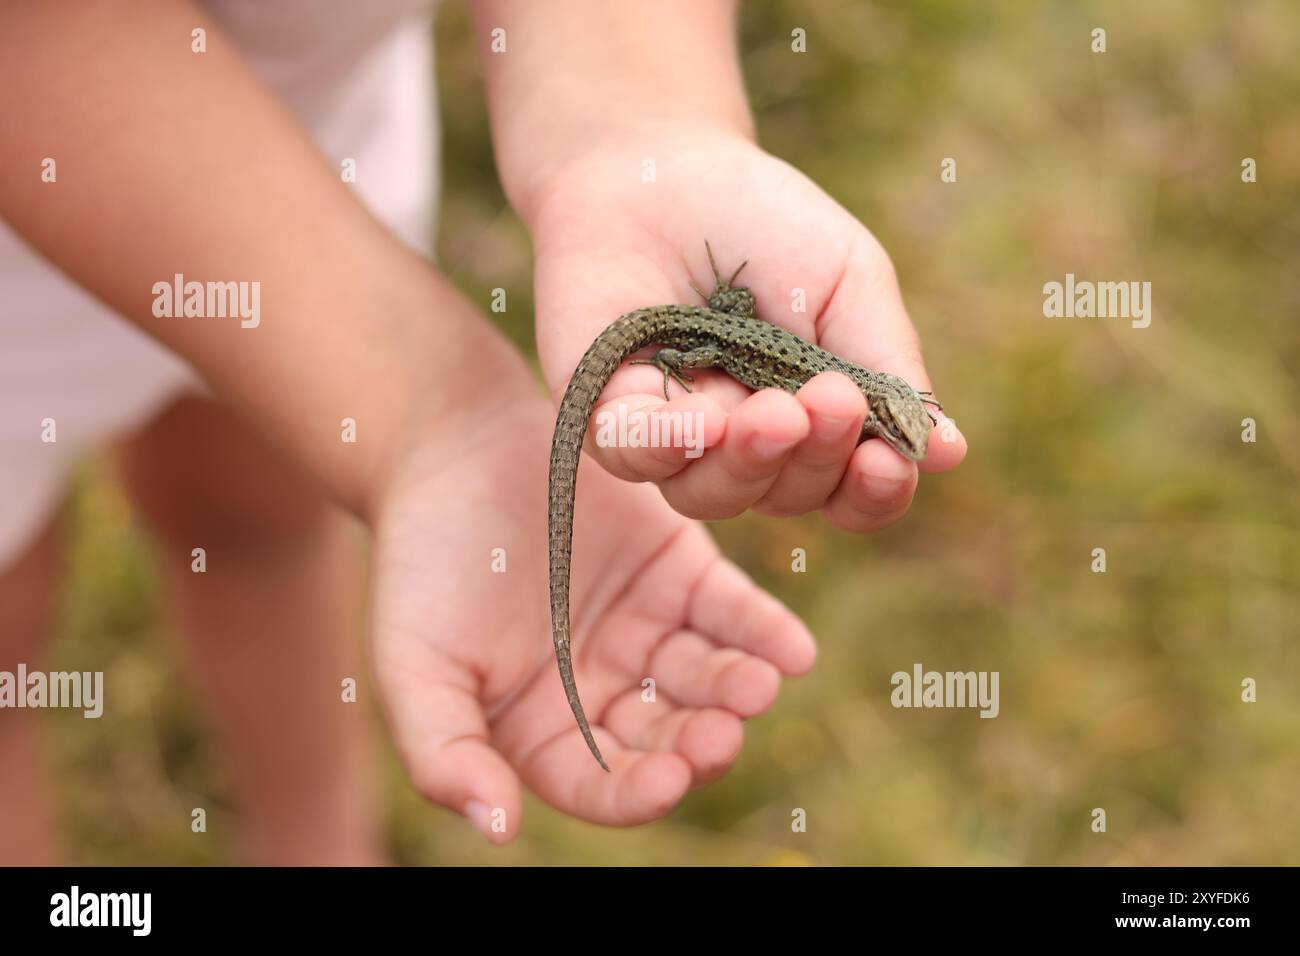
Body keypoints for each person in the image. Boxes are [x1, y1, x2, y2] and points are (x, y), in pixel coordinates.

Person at [0, 0, 965, 863]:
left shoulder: (852, 383)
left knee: (258, 518)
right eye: (898, 420)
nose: (898, 428)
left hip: (324, 158)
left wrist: (647, 129)